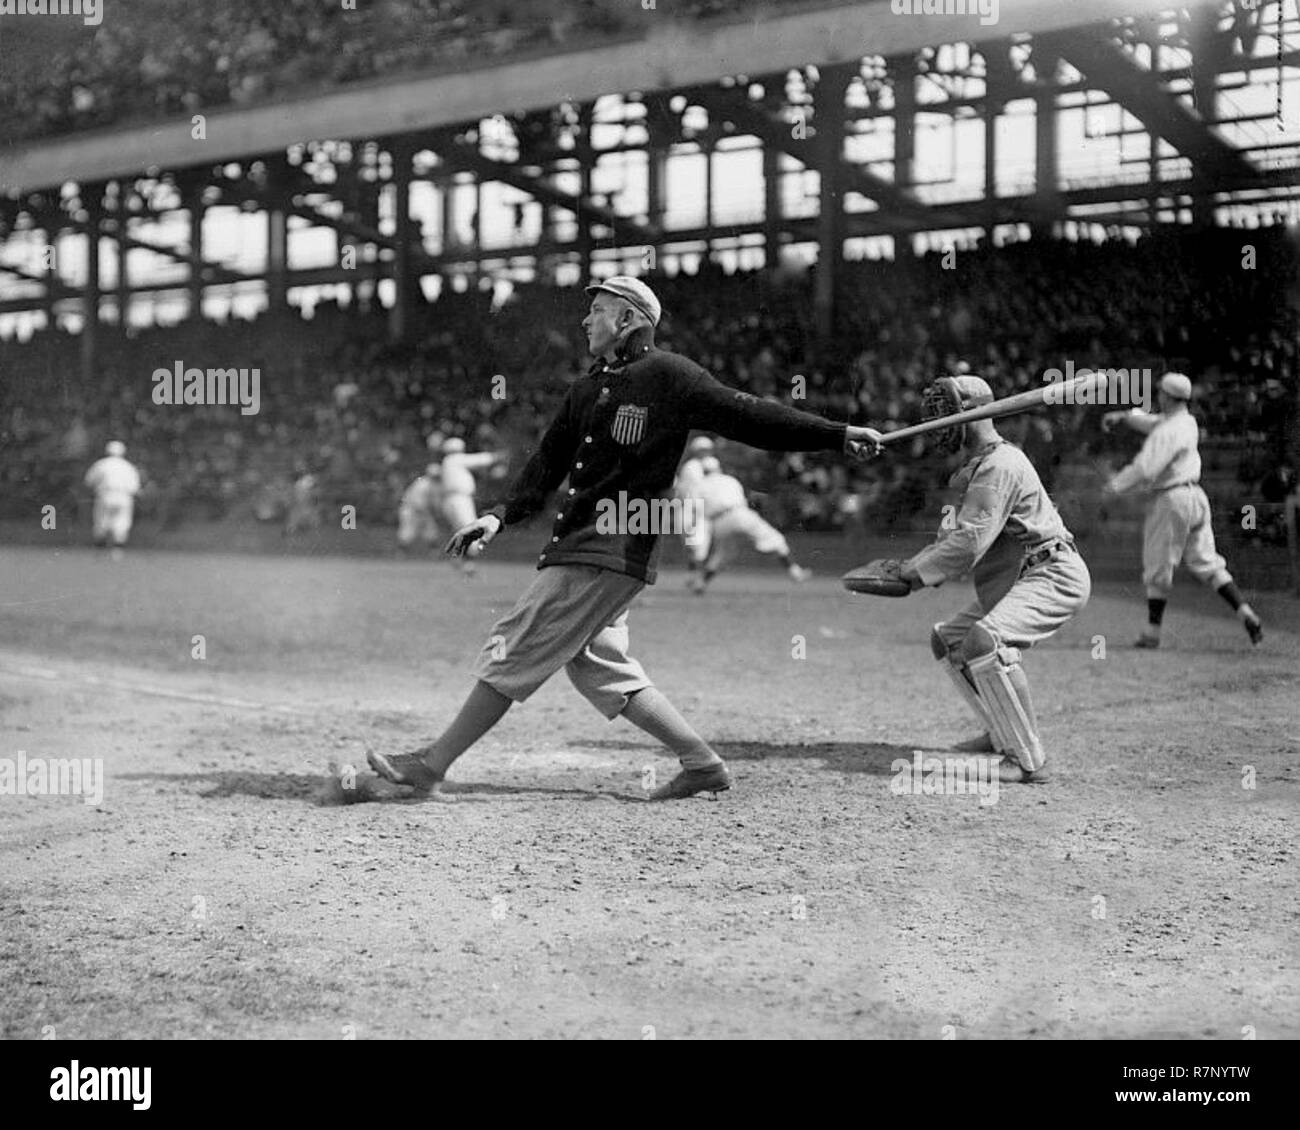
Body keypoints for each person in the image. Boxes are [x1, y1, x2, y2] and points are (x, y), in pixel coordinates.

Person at [367, 275, 879, 802]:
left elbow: (750, 415)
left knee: (517, 640)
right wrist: (499, 516)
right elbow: (547, 462)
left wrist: (836, 435)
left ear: (629, 319)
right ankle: (702, 764)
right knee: (597, 665)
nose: (586, 320)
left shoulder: (671, 375)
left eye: (599, 311)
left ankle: (431, 765)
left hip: (609, 544)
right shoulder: (587, 387)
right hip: (591, 546)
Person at [861, 374, 1092, 784]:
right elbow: (957, 536)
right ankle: (1003, 730)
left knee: (985, 641)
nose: (938, 423)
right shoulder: (982, 467)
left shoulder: (999, 466)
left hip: (1050, 573)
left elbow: (969, 543)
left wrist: (913, 576)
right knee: (949, 640)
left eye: (945, 412)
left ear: (971, 414)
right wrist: (911, 564)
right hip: (1018, 575)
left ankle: (1026, 759)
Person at [1102, 372, 1262, 648]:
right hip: (1196, 497)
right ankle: (1244, 611)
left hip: (1172, 499)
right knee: (1207, 560)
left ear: (1166, 396)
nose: (1157, 396)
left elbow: (1145, 468)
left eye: (1160, 392)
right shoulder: (1186, 421)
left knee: (1157, 564)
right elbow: (1153, 421)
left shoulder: (1167, 431)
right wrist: (1125, 416)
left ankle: (1152, 632)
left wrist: (1114, 486)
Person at [693, 455, 812, 592]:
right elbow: (741, 499)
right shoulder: (729, 480)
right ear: (718, 468)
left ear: (703, 471)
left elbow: (697, 510)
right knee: (775, 539)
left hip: (718, 521)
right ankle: (795, 573)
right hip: (738, 513)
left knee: (722, 554)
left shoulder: (699, 485)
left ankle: (701, 582)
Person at [439, 438, 503, 576]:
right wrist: (495, 456)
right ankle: (469, 563)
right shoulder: (454, 459)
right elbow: (479, 460)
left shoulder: (448, 463)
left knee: (462, 530)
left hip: (451, 500)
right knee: (472, 528)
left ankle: (458, 559)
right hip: (459, 499)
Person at [84, 440, 141, 561]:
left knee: (102, 522)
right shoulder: (128, 466)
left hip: (106, 495)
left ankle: (99, 552)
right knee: (121, 523)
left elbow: (89, 481)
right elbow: (135, 487)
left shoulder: (101, 464)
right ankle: (117, 554)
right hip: (124, 497)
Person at [673, 435, 715, 589]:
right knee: (694, 546)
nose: (705, 452)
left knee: (698, 547)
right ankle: (695, 577)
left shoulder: (709, 464)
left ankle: (694, 578)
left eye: (707, 449)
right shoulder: (692, 466)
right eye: (702, 450)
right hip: (689, 508)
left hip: (699, 510)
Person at [397, 464, 443, 553]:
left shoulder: (434, 485)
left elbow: (435, 501)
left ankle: (434, 552)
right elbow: (417, 503)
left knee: (431, 530)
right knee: (408, 531)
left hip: (422, 511)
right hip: (410, 510)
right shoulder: (422, 484)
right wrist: (430, 512)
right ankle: (400, 552)